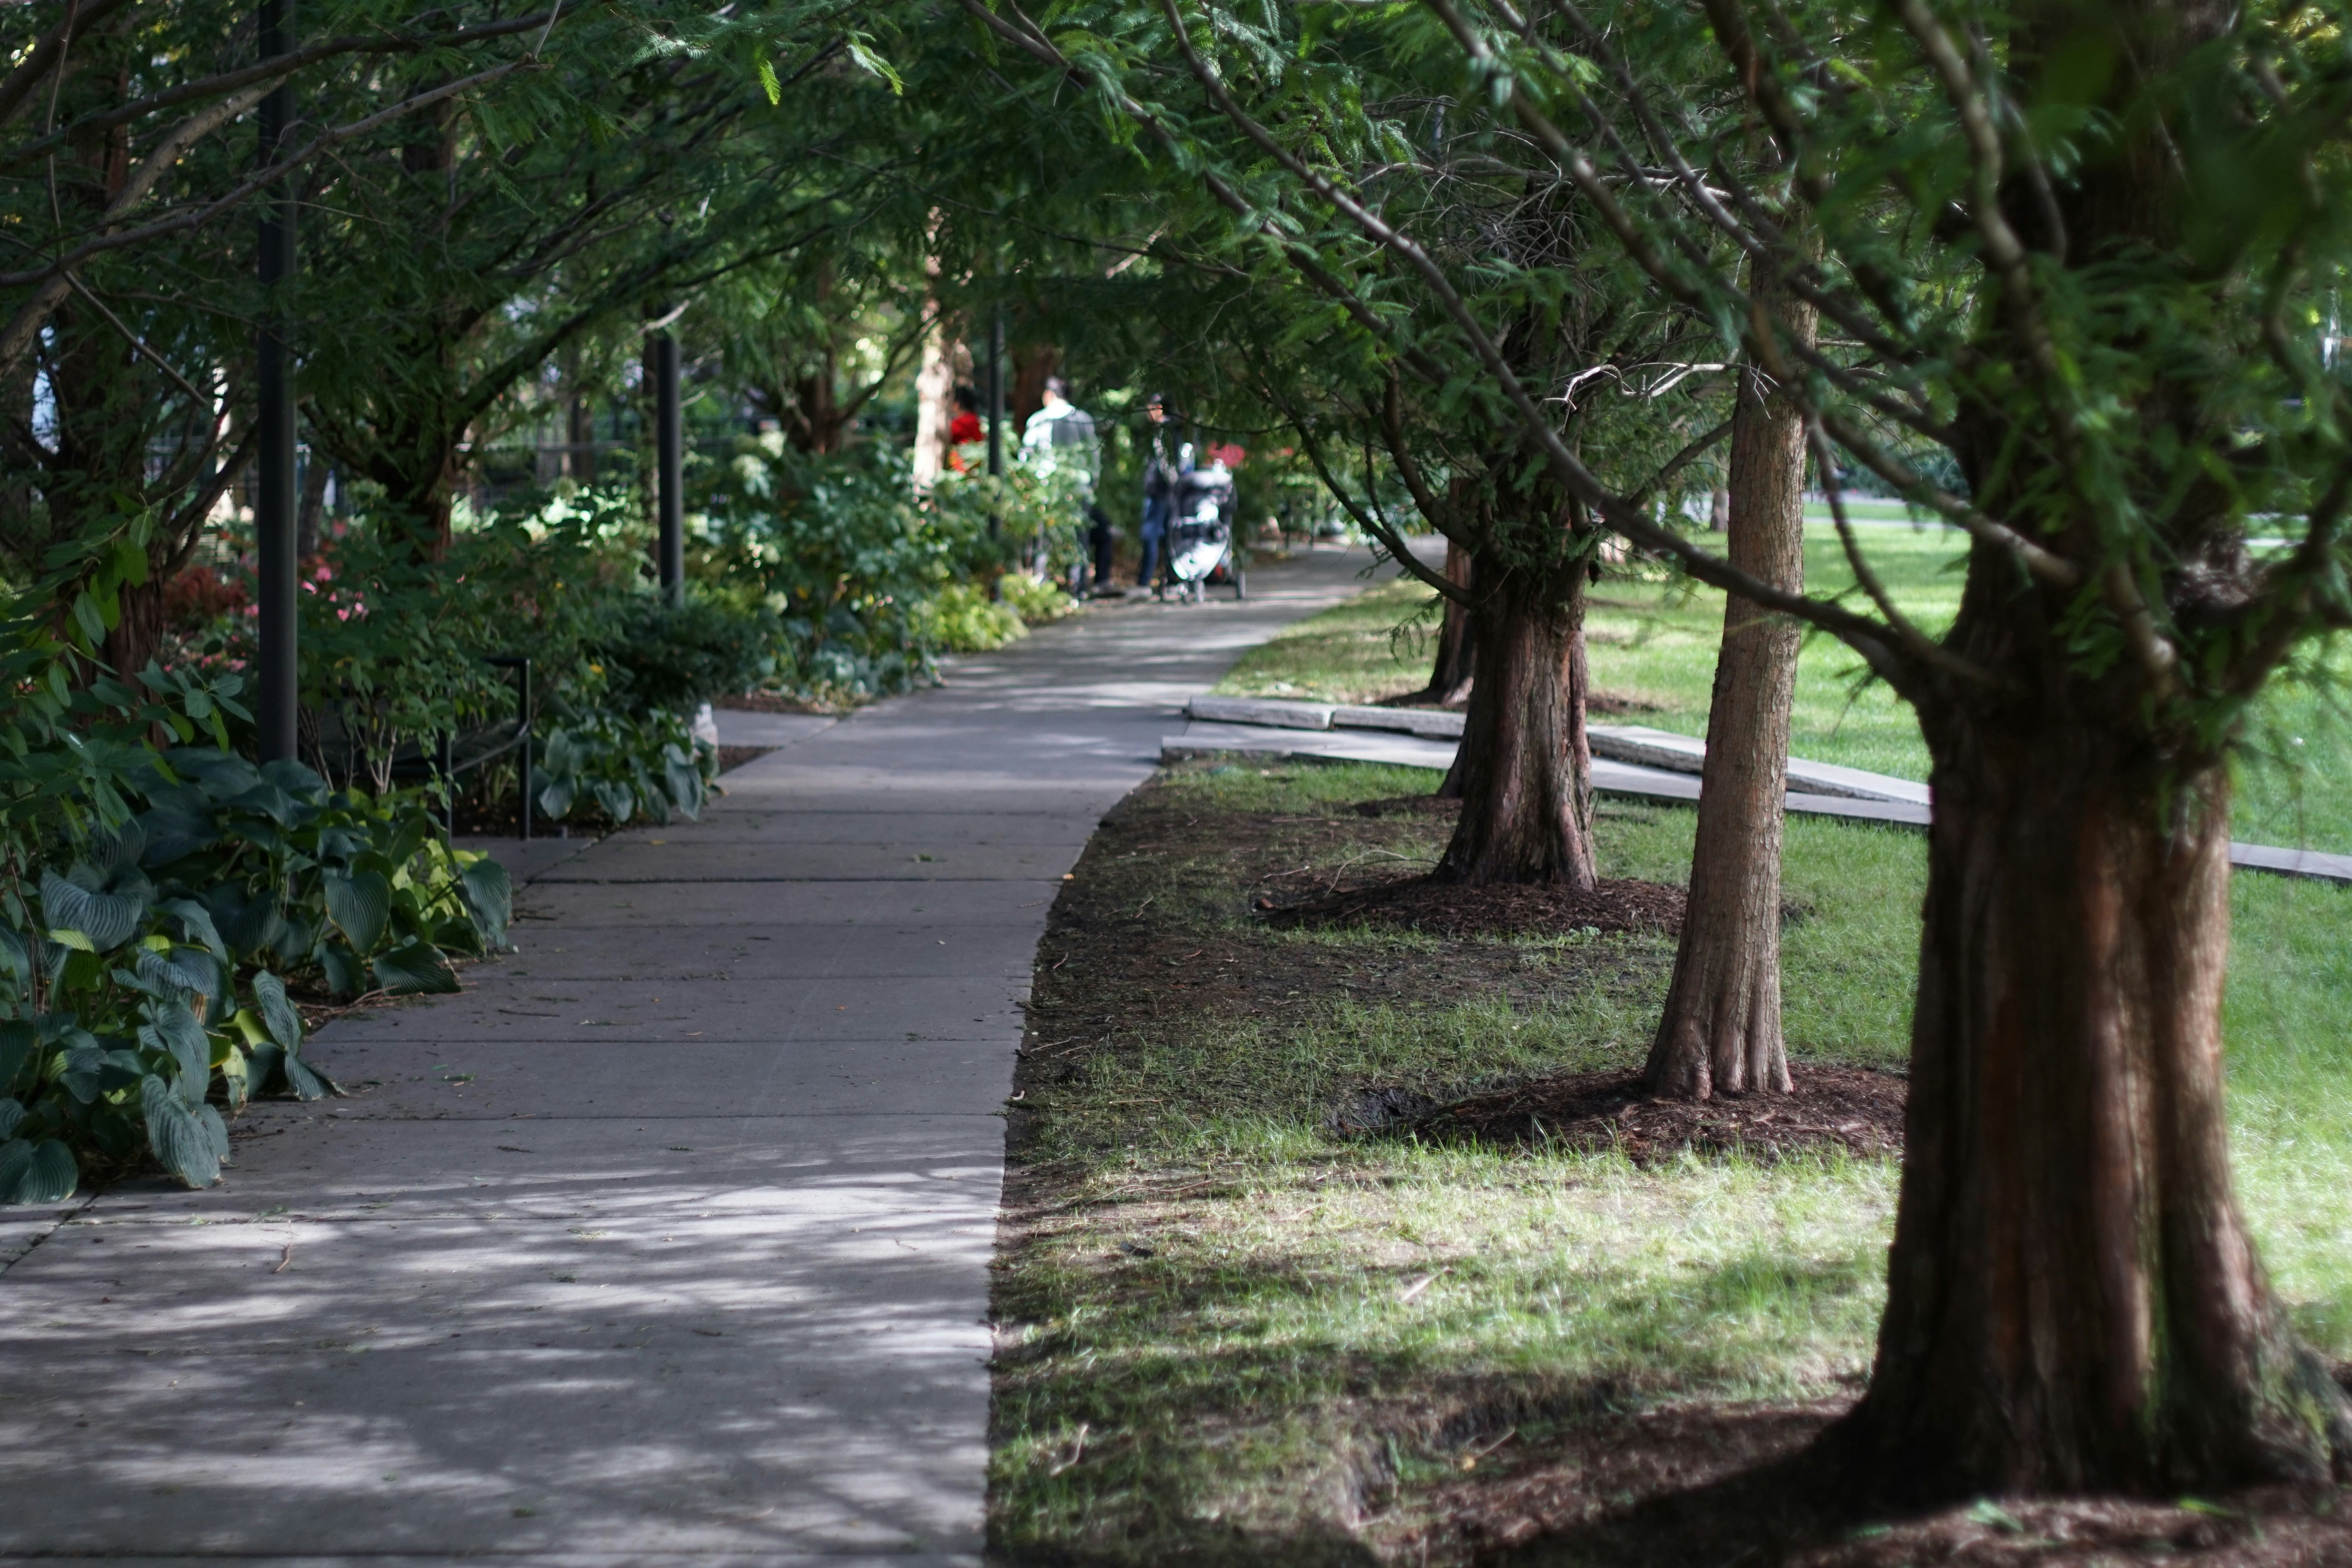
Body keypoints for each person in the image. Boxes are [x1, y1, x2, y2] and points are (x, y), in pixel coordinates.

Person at [1022, 376, 1117, 593]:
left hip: (1048, 490)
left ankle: (1042, 588)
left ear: (1049, 394)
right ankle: (1079, 589)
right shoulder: (1082, 418)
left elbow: (1026, 456)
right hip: (1078, 488)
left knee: (1045, 541)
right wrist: (1093, 482)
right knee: (1079, 539)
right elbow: (1094, 453)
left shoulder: (1038, 420)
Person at [1137, 392, 1191, 595]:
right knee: (1170, 535)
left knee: (1151, 535)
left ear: (1158, 409)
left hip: (1160, 493)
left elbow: (1166, 463)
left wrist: (1173, 485)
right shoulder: (1175, 429)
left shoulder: (1163, 430)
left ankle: (1145, 582)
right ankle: (1172, 579)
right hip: (1169, 493)